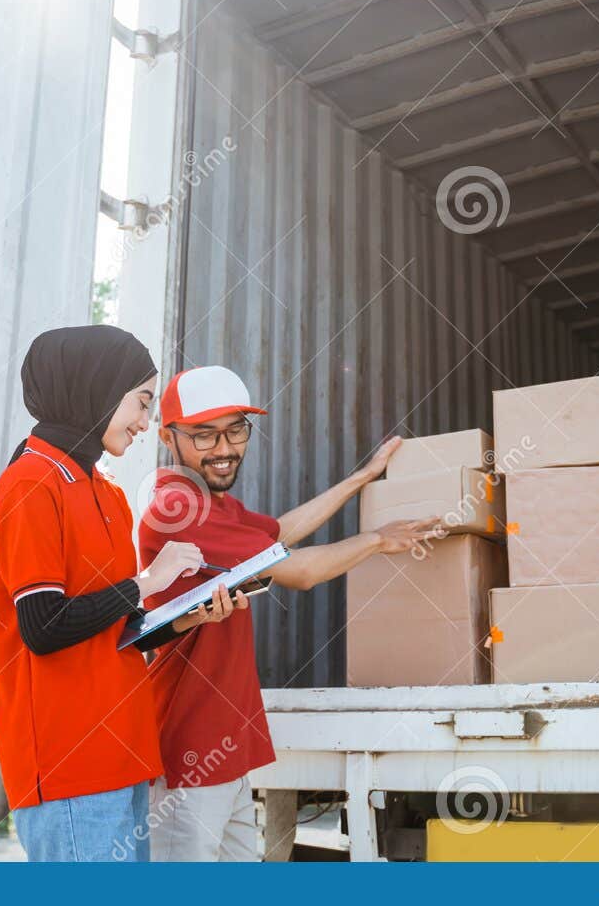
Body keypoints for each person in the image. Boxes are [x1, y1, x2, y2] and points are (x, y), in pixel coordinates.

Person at [137, 364, 443, 861]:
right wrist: (378, 539)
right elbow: (295, 570)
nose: (224, 448)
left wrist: (361, 480)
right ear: (169, 437)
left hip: (224, 746)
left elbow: (277, 534)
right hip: (188, 744)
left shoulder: (216, 505)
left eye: (236, 429)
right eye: (204, 435)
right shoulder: (177, 505)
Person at [0, 326, 243, 862]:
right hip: (67, 762)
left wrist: (189, 617)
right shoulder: (31, 485)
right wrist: (148, 581)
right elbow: (44, 628)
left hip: (124, 754)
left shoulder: (108, 495)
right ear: (94, 389)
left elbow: (116, 630)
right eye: (141, 403)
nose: (146, 423)